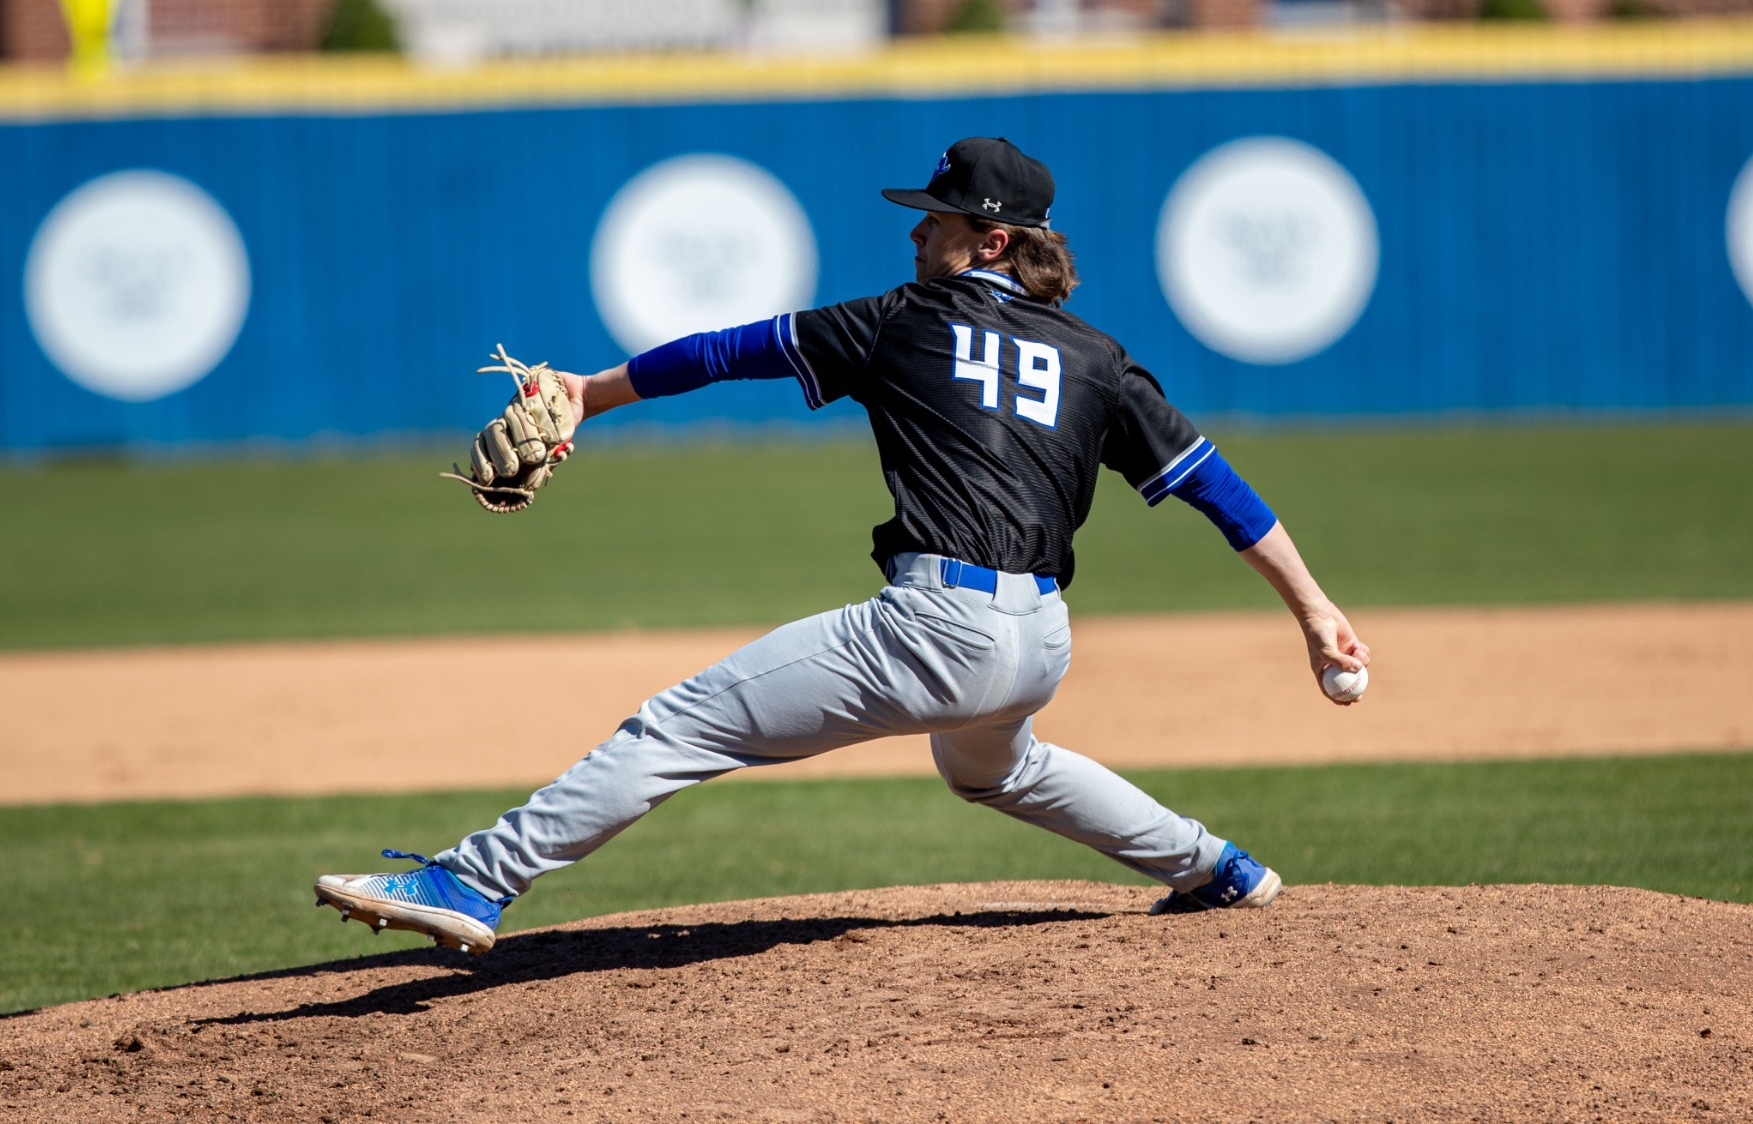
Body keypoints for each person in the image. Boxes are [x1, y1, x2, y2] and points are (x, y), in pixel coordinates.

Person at [313, 136, 1371, 955]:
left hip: (932, 627)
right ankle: (1216, 867)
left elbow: (729, 351)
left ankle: (471, 879)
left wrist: (591, 391)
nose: (918, 234)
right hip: (1038, 638)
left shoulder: (902, 319)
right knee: (1000, 770)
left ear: (991, 241)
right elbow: (1213, 487)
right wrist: (1314, 611)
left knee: (680, 720)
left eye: (938, 219)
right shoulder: (1098, 359)